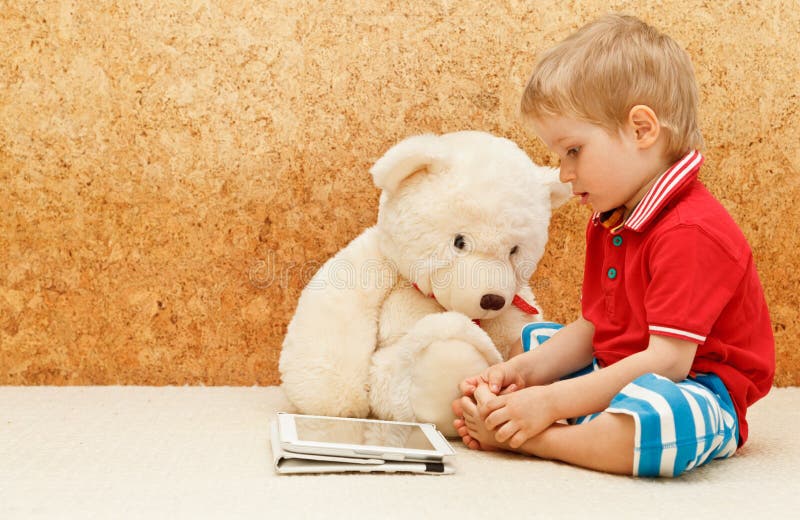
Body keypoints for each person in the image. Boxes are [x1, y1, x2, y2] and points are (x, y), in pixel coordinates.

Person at [452, 13, 774, 477]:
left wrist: (547, 404)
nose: (564, 172)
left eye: (573, 150)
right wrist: (520, 375)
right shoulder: (612, 219)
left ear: (642, 130)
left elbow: (668, 361)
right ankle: (543, 419)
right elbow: (594, 326)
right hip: (621, 365)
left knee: (659, 422)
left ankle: (543, 440)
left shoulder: (691, 231)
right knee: (539, 342)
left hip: (698, 386)